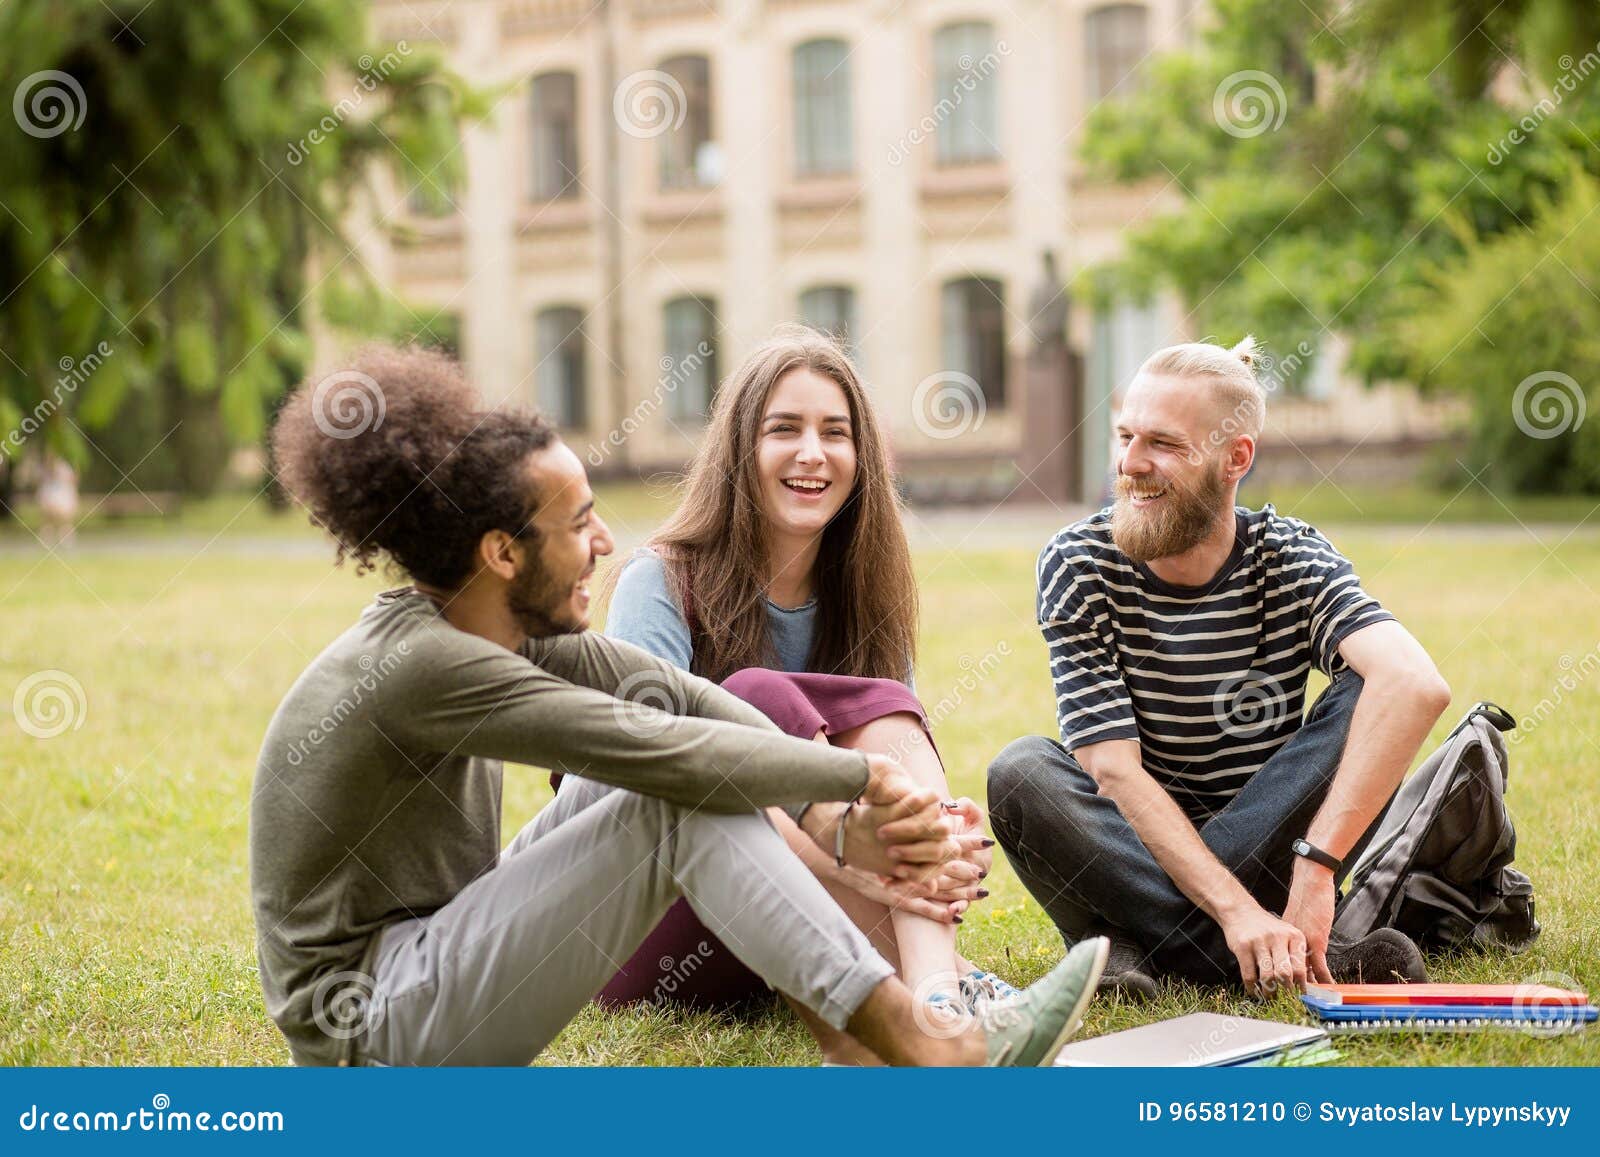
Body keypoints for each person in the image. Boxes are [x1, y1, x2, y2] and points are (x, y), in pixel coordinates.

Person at [252, 343, 1109, 1067]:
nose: (605, 542)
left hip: (444, 945)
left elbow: (677, 698)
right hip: (371, 1031)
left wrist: (861, 798)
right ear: (503, 552)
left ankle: (911, 1023)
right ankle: (928, 1046)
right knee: (678, 790)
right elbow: (661, 748)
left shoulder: (505, 625)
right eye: (580, 522)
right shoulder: (426, 664)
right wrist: (845, 797)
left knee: (690, 764)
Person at [596, 325, 1017, 1063]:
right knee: (754, 694)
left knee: (883, 705)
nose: (812, 454)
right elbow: (657, 799)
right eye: (783, 429)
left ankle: (936, 998)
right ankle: (950, 981)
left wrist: (946, 838)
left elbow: (896, 773)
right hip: (654, 927)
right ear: (739, 451)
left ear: (862, 458)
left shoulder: (865, 590)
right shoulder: (660, 583)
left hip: (804, 947)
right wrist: (885, 866)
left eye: (836, 432)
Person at [988, 336, 1450, 999]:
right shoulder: (1078, 562)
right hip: (1133, 853)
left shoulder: (1289, 555)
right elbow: (1113, 770)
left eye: (1164, 445)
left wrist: (1317, 872)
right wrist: (1234, 912)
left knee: (1373, 692)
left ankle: (1129, 950)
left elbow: (1416, 684)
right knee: (1023, 771)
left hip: (1270, 851)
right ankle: (1260, 950)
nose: (1129, 463)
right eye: (1125, 435)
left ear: (1237, 458)